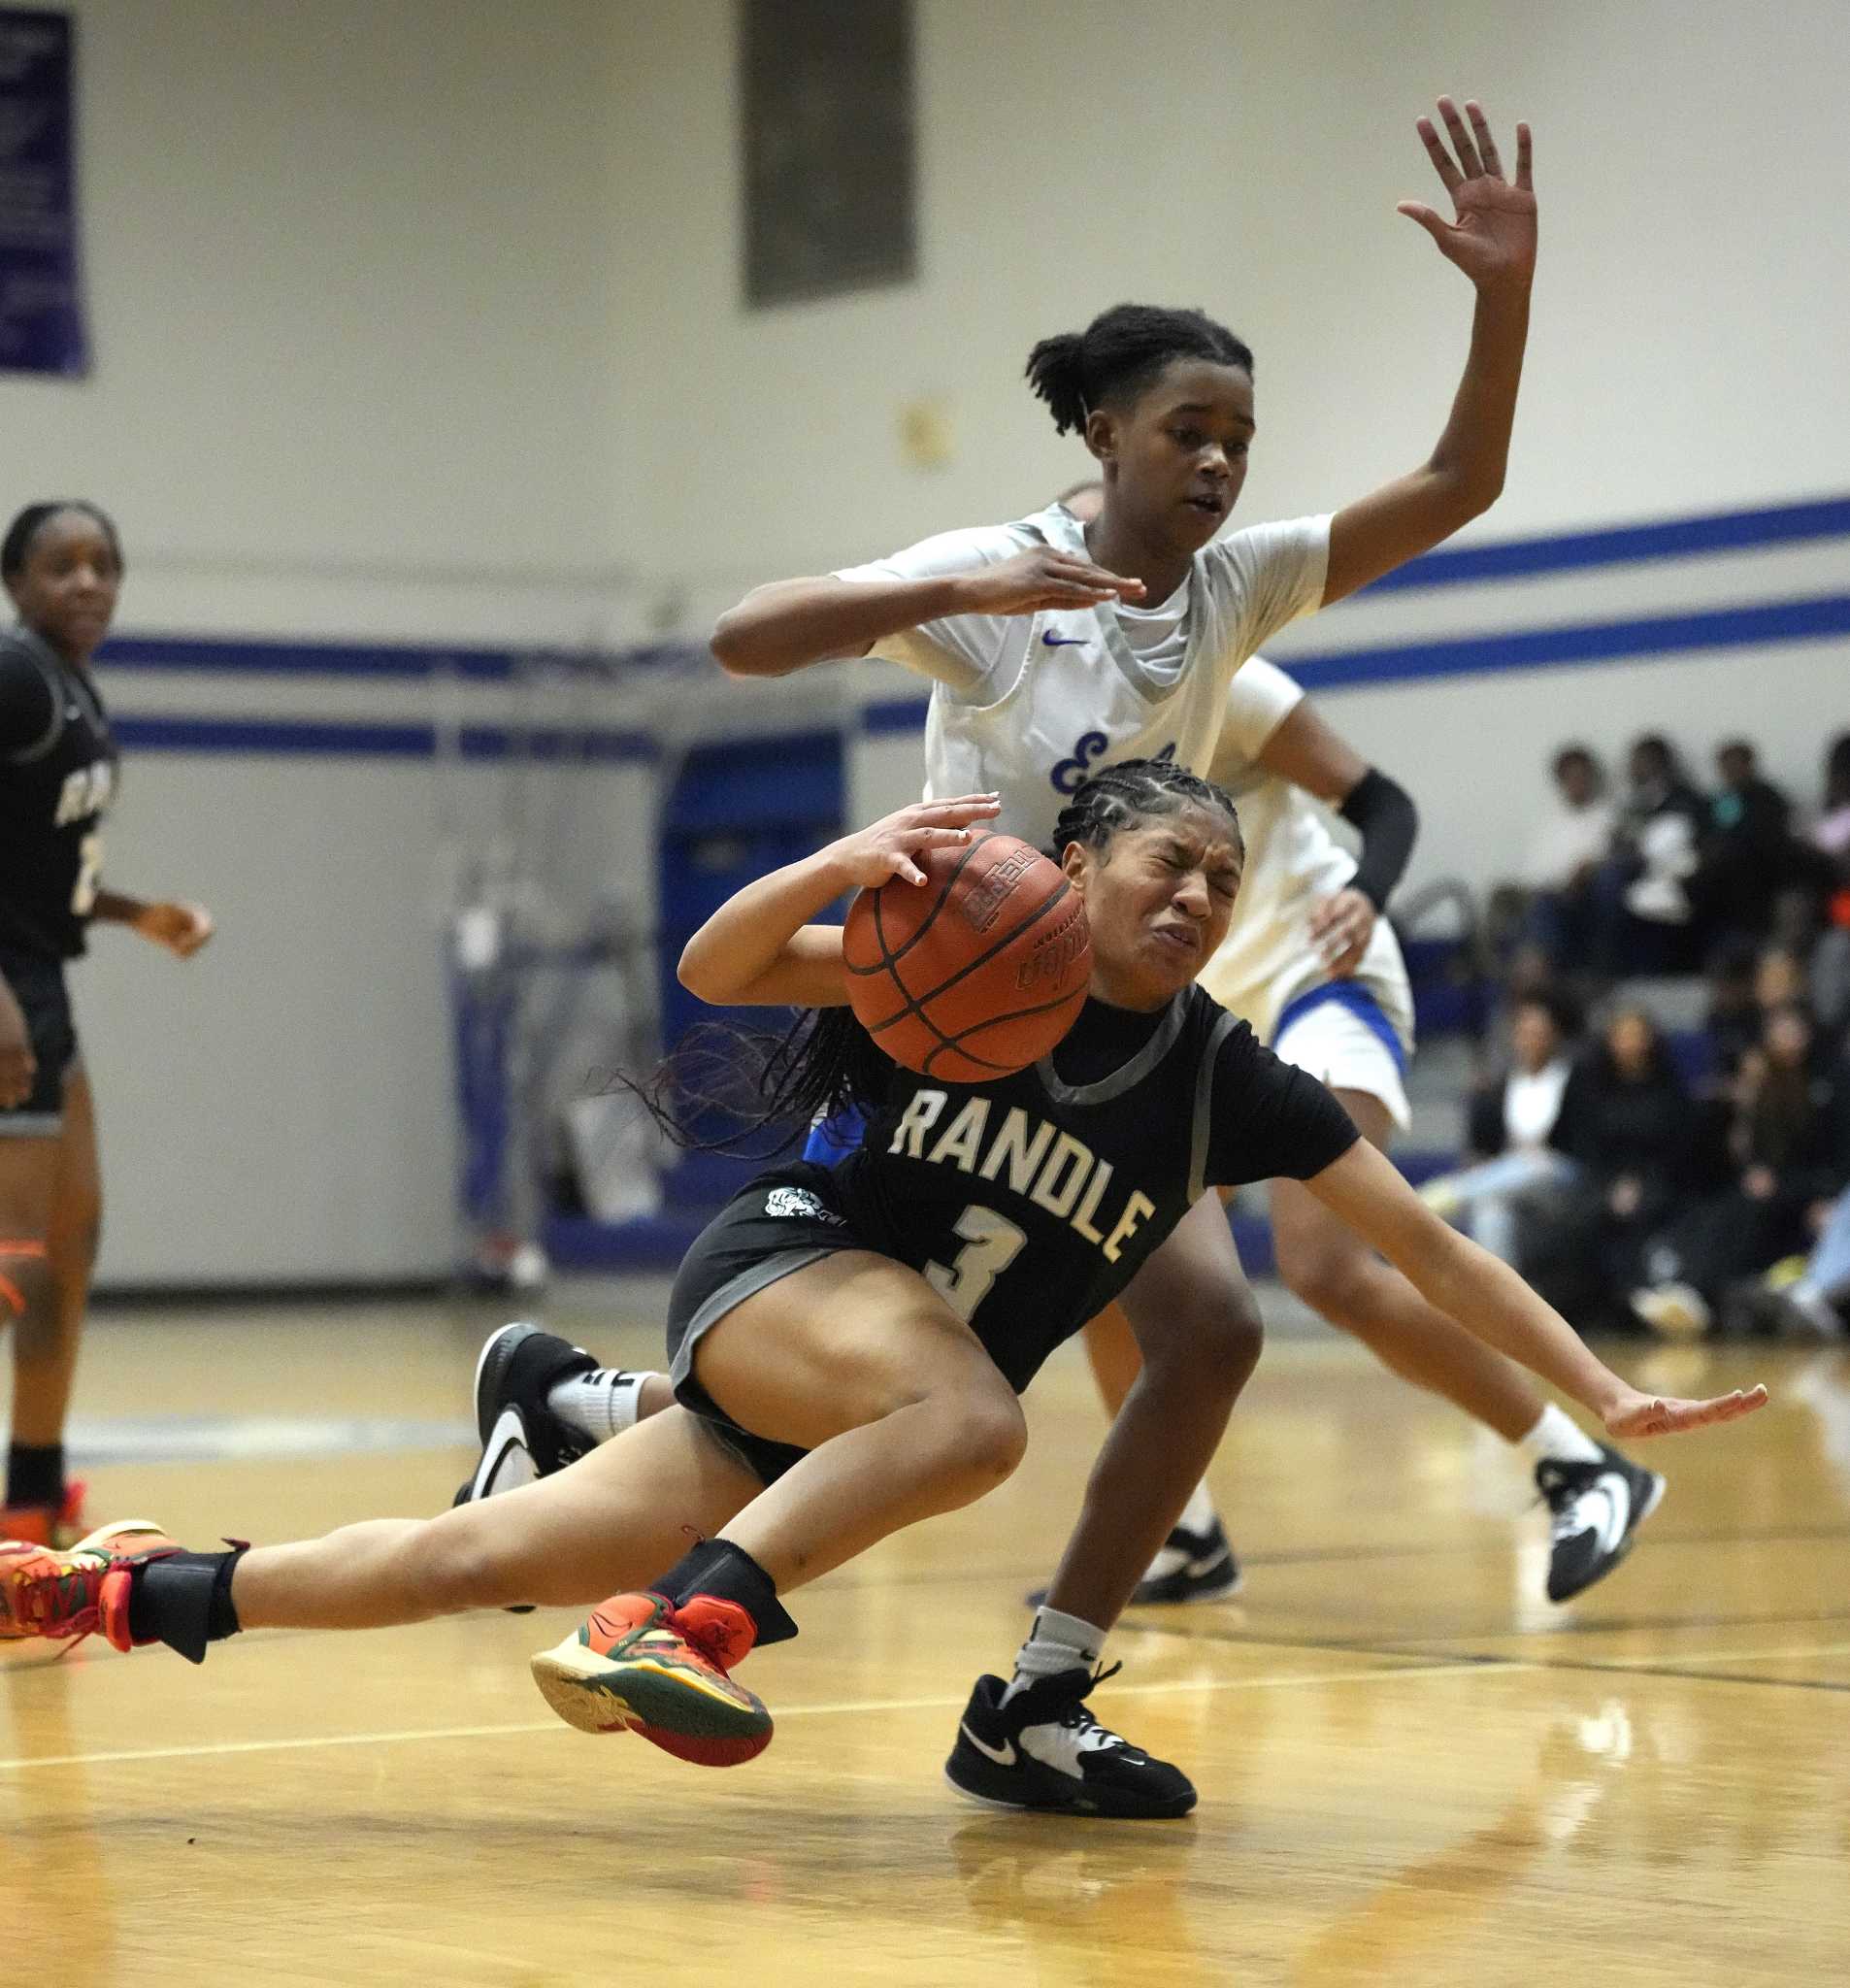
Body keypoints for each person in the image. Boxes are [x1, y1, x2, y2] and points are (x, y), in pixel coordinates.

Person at [0, 770, 1767, 1825]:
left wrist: (1595, 1390)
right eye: (1172, 860)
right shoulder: (973, 954)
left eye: (1226, 876)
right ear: (1078, 869)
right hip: (785, 1273)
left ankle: (119, 1590)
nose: (1201, 891)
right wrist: (848, 860)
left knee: (468, 1559)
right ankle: (676, 1622)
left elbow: (1429, 1246)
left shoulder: (1225, 1075)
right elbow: (717, 963)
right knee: (980, 1414)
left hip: (853, 1385)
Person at [0, 502, 214, 1546]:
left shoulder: (70, 688)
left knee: (68, 1241)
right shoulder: (15, 674)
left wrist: (136, 913)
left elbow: (42, 871)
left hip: (42, 973)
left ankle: (31, 1500)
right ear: (16, 582)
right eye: (61, 565)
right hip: (8, 986)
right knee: (14, 1263)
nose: (87, 581)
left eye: (105, 564)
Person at [1420, 989, 1583, 1266]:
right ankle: (1501, 1300)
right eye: (1525, 1032)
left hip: (1560, 1176)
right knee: (1491, 1209)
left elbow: (1582, 1140)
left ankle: (1449, 1195)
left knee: (1536, 1164)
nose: (1531, 1040)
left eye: (1539, 1032)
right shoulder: (1502, 1083)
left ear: (1554, 1035)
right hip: (1510, 1176)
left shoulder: (1574, 1079)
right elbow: (1485, 1141)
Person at [1519, 745, 1616, 976]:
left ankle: (1537, 975)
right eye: (1570, 777)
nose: (1577, 783)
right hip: (1550, 894)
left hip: (1585, 900)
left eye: (1582, 776)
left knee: (1546, 909)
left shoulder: (1608, 817)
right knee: (1519, 903)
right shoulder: (1550, 822)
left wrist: (1579, 875)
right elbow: (1535, 873)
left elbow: (1604, 861)